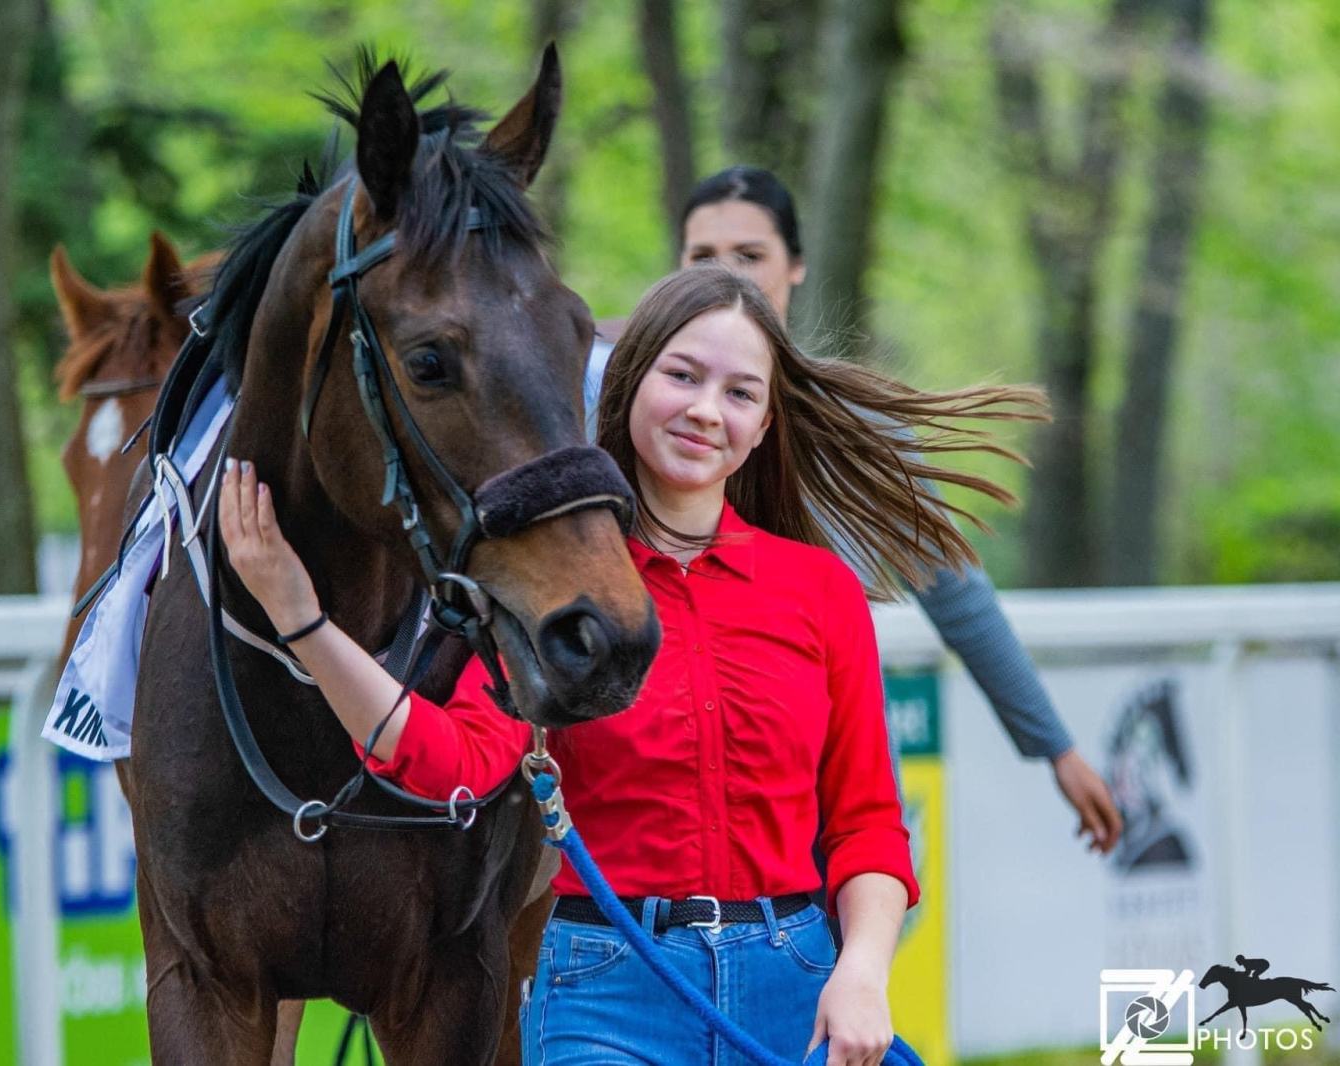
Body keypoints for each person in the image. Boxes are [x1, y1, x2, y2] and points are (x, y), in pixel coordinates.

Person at [218, 266, 1044, 1065]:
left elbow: (866, 826)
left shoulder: (819, 591)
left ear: (764, 426)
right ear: (630, 383)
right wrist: (301, 619)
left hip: (796, 985)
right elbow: (452, 763)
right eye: (682, 376)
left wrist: (861, 974)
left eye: (740, 393)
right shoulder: (556, 596)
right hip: (606, 988)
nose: (706, 410)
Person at [588, 165, 1122, 856]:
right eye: (703, 256)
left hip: (828, 809)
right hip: (651, 815)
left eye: (750, 255)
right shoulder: (633, 417)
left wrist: (1055, 746)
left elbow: (957, 594)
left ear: (795, 266)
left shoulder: (861, 431)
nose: (728, 274)